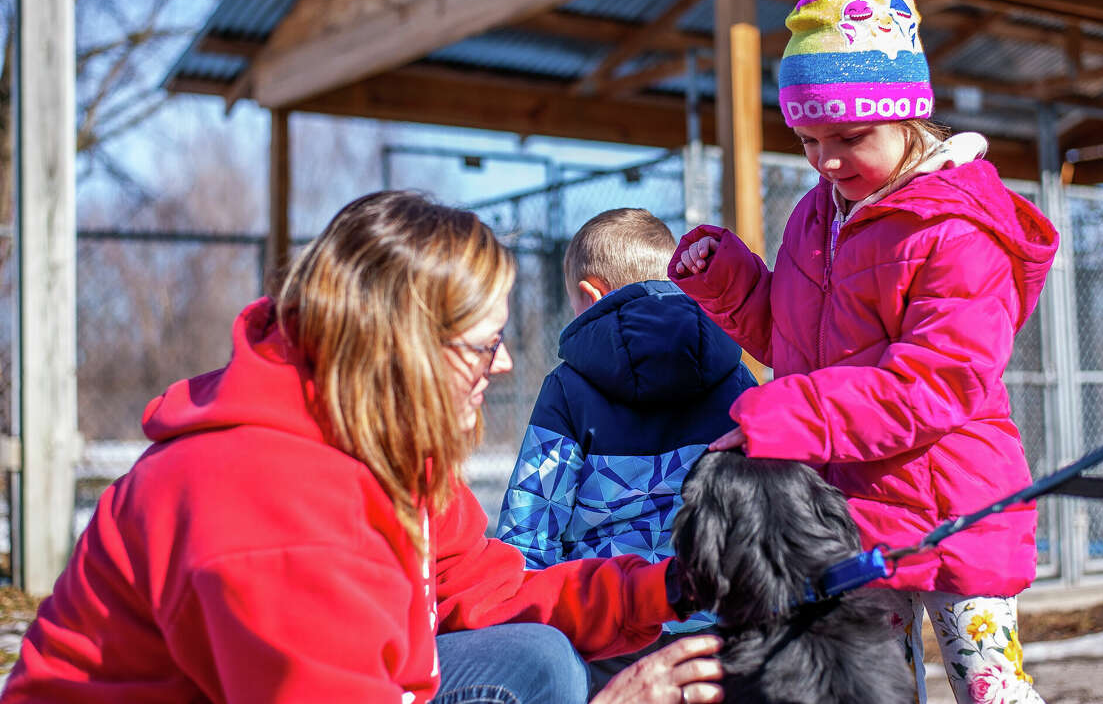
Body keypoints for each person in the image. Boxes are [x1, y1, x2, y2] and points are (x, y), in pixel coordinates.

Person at [1, 191, 724, 704]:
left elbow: (490, 588)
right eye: (484, 344)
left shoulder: (384, 444)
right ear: (404, 348)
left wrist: (664, 588)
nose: (504, 365)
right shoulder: (269, 508)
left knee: (538, 659)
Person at [670, 0, 1057, 704]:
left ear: (907, 117)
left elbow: (934, 382)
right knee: (873, 690)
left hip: (954, 512)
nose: (826, 159)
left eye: (849, 136)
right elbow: (794, 342)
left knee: (992, 690)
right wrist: (729, 282)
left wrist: (787, 416)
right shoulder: (818, 214)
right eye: (808, 139)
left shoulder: (957, 229)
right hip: (855, 515)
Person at [496, 208, 756, 694]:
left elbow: (533, 518)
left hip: (607, 625)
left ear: (590, 295)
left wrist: (520, 616)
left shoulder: (567, 388)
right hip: (714, 618)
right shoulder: (733, 371)